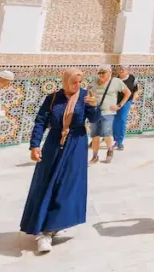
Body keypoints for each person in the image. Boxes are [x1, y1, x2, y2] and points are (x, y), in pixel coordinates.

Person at [21, 69, 100, 253]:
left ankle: (51, 228)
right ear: (65, 82)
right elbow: (41, 121)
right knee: (47, 182)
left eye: (80, 82)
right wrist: (34, 145)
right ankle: (43, 226)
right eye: (74, 82)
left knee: (68, 184)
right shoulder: (53, 98)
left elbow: (94, 119)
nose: (77, 86)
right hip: (54, 144)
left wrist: (94, 106)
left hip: (76, 144)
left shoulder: (85, 97)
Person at [89, 65, 129, 164]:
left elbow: (128, 93)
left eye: (103, 73)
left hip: (108, 112)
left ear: (109, 73)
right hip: (95, 111)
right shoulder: (94, 81)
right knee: (95, 135)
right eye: (99, 73)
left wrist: (119, 105)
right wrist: (90, 99)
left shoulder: (116, 82)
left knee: (106, 132)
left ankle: (110, 151)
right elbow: (89, 92)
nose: (101, 75)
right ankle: (95, 156)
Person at [113, 65, 137, 150]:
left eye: (123, 69)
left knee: (122, 120)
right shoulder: (116, 79)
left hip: (126, 102)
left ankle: (120, 141)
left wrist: (133, 100)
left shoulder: (132, 78)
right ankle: (116, 139)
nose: (121, 70)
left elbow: (135, 90)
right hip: (116, 102)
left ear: (127, 71)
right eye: (120, 69)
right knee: (115, 120)